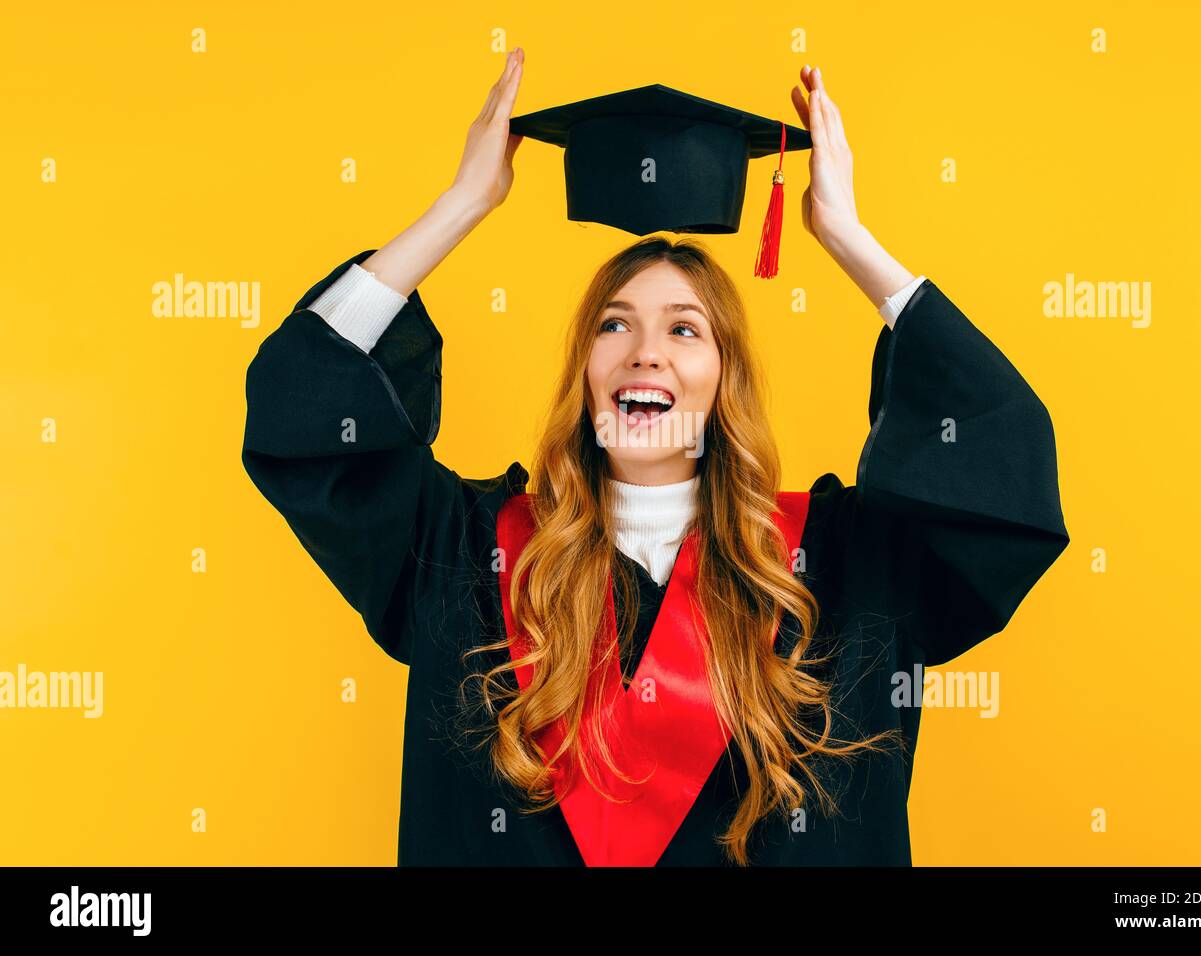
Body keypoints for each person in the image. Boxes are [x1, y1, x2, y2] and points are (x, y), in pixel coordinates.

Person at [241, 49, 1070, 866]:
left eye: (684, 328)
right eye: (614, 324)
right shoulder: (464, 555)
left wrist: (850, 239)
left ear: (725, 375)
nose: (646, 352)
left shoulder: (838, 568)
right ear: (584, 368)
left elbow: (1002, 459)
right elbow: (302, 408)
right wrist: (459, 206)